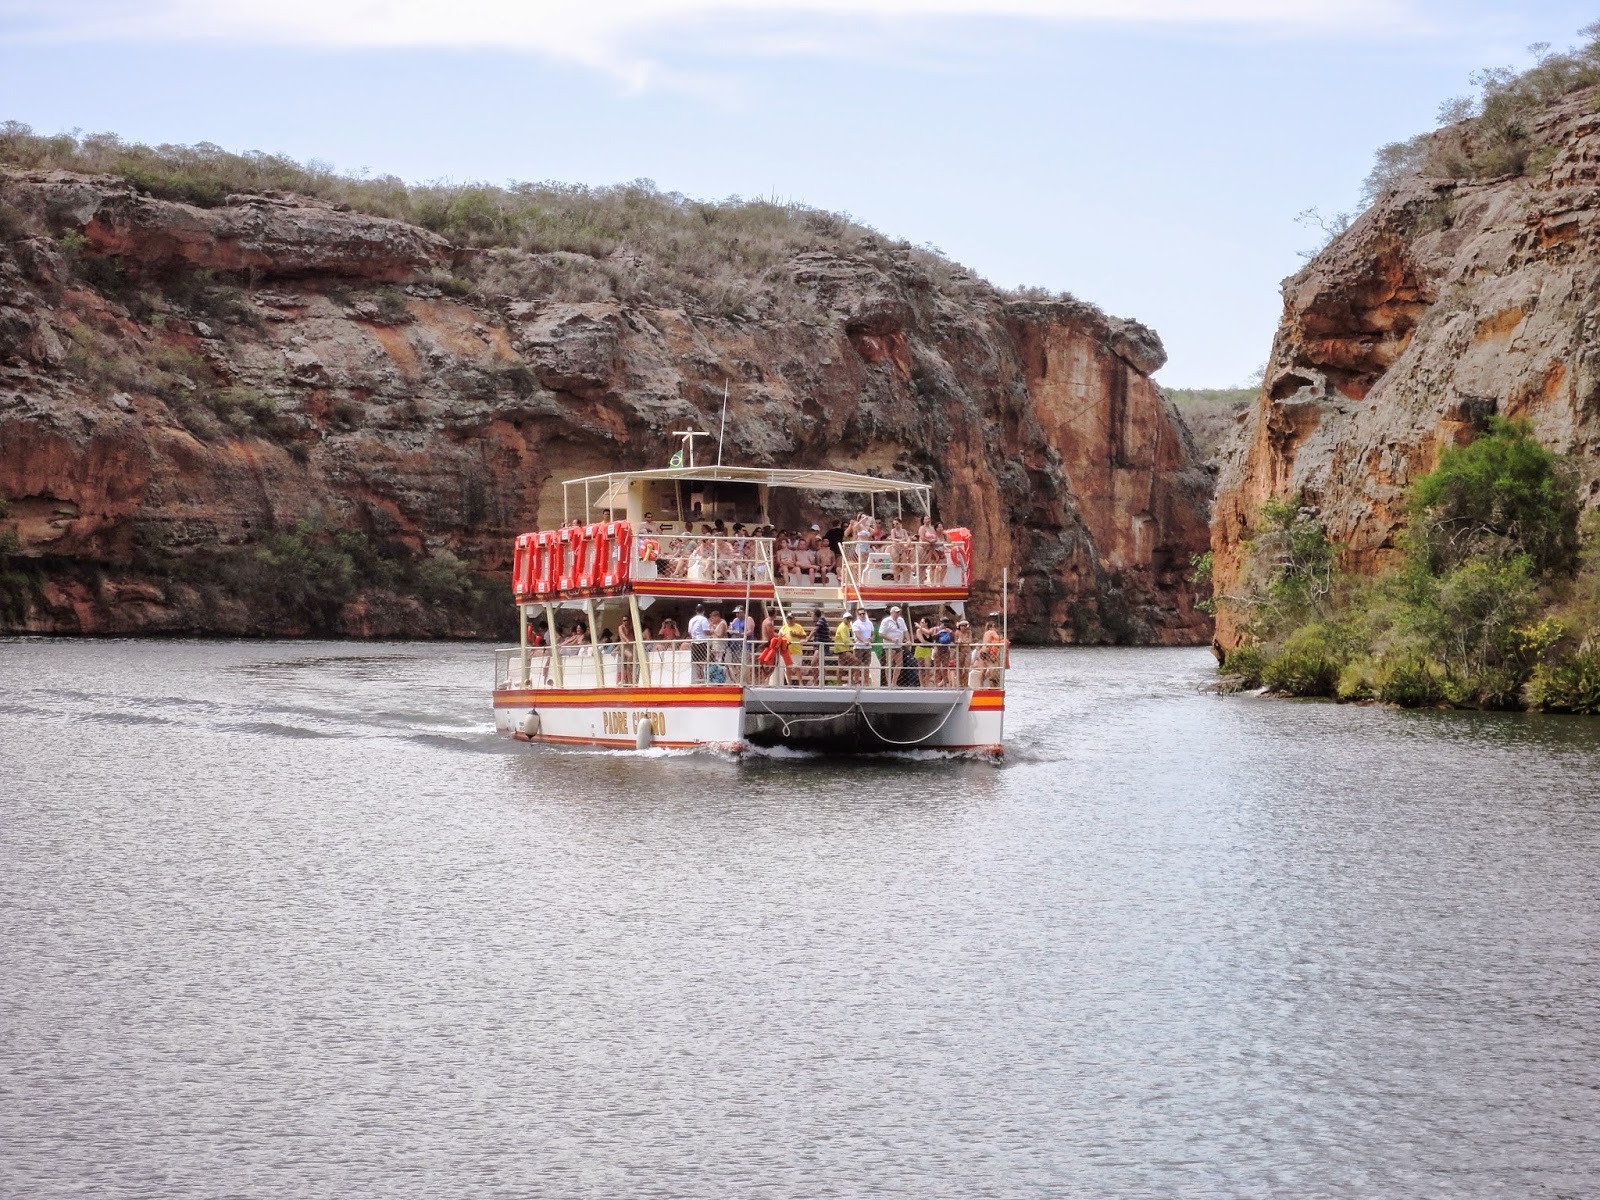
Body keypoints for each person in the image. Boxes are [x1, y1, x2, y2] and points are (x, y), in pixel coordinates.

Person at [878, 605, 908, 688]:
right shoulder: (886, 621)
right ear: (892, 613)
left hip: (899, 645)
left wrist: (908, 640)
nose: (898, 614)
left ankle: (894, 682)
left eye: (899, 612)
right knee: (889, 664)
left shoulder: (901, 620)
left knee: (899, 664)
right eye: (896, 612)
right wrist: (891, 639)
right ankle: (889, 683)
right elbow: (881, 633)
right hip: (889, 646)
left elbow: (905, 631)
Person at [850, 607, 875, 686]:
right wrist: (864, 641)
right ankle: (856, 681)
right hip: (859, 647)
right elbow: (857, 635)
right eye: (860, 614)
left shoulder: (869, 623)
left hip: (867, 647)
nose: (862, 615)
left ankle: (866, 682)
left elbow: (873, 634)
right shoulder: (856, 624)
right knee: (857, 665)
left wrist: (871, 639)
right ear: (858, 615)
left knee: (867, 665)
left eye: (863, 613)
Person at [688, 604, 712, 683]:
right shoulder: (703, 619)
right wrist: (713, 631)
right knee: (705, 661)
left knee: (698, 664)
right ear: (703, 611)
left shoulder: (692, 620)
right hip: (703, 642)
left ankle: (700, 680)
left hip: (694, 642)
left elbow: (689, 631)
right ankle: (705, 680)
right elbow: (706, 631)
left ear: (696, 611)